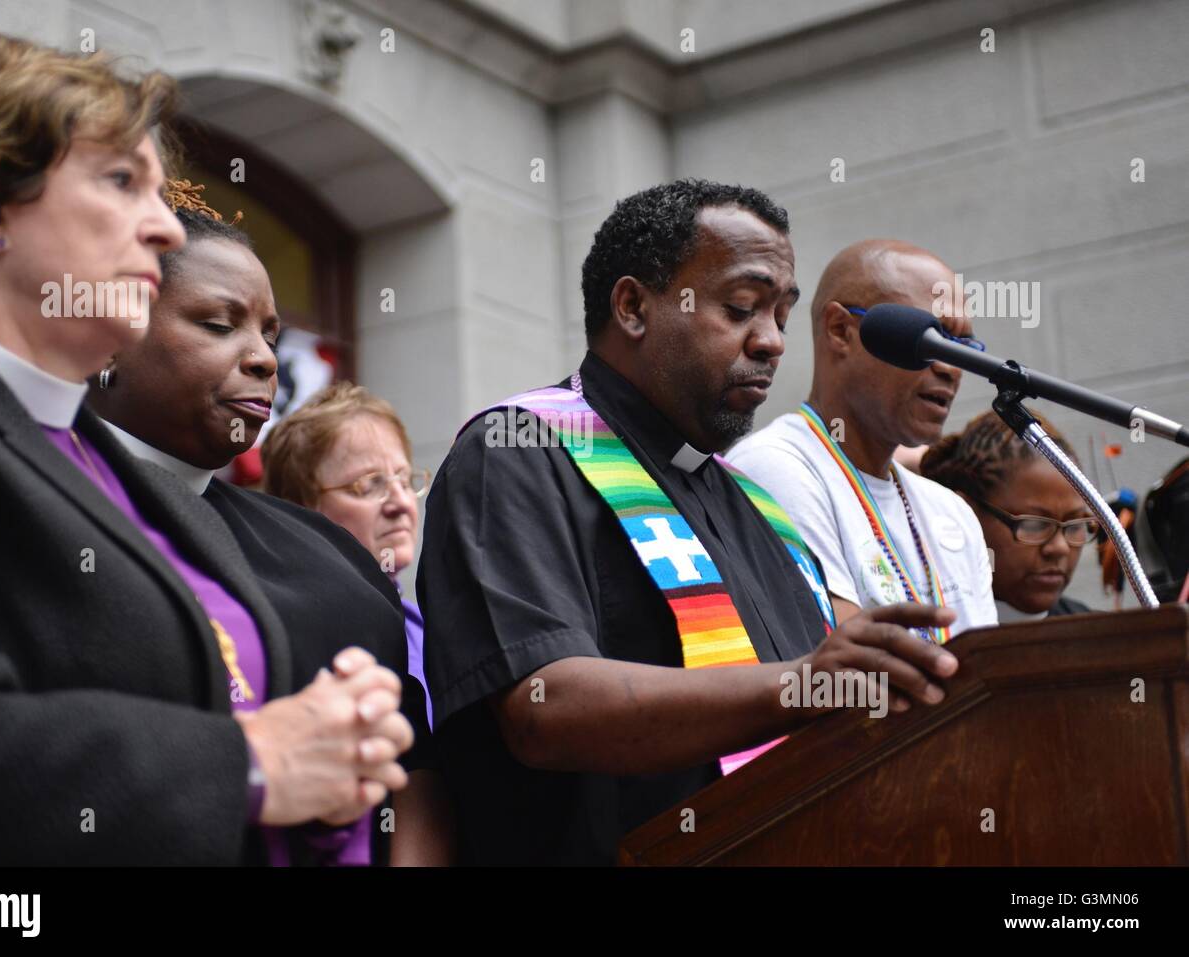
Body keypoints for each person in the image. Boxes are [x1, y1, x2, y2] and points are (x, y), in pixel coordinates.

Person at [0, 33, 410, 865]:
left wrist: (325, 775)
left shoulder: (112, 463)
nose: (166, 229)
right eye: (122, 181)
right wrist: (254, 760)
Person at [416, 180, 959, 865]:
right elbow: (541, 707)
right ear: (634, 306)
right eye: (741, 308)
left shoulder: (757, 508)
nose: (771, 343)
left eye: (781, 317)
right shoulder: (518, 454)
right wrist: (801, 682)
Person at [88, 180, 447, 865]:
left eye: (270, 334)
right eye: (220, 324)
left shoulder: (330, 556)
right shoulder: (27, 506)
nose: (261, 358)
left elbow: (410, 773)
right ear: (113, 330)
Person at [728, 239, 998, 639]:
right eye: (931, 338)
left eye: (962, 344)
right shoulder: (774, 467)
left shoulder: (951, 513)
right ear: (841, 331)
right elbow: (846, 669)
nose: (951, 366)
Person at [260, 381, 434, 729]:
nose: (402, 503)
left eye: (404, 480)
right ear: (301, 509)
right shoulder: (276, 627)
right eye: (371, 485)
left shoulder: (423, 624)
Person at [921, 409, 1096, 620]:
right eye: (1034, 525)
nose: (1059, 548)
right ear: (964, 515)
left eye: (1074, 525)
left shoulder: (1099, 637)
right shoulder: (924, 635)